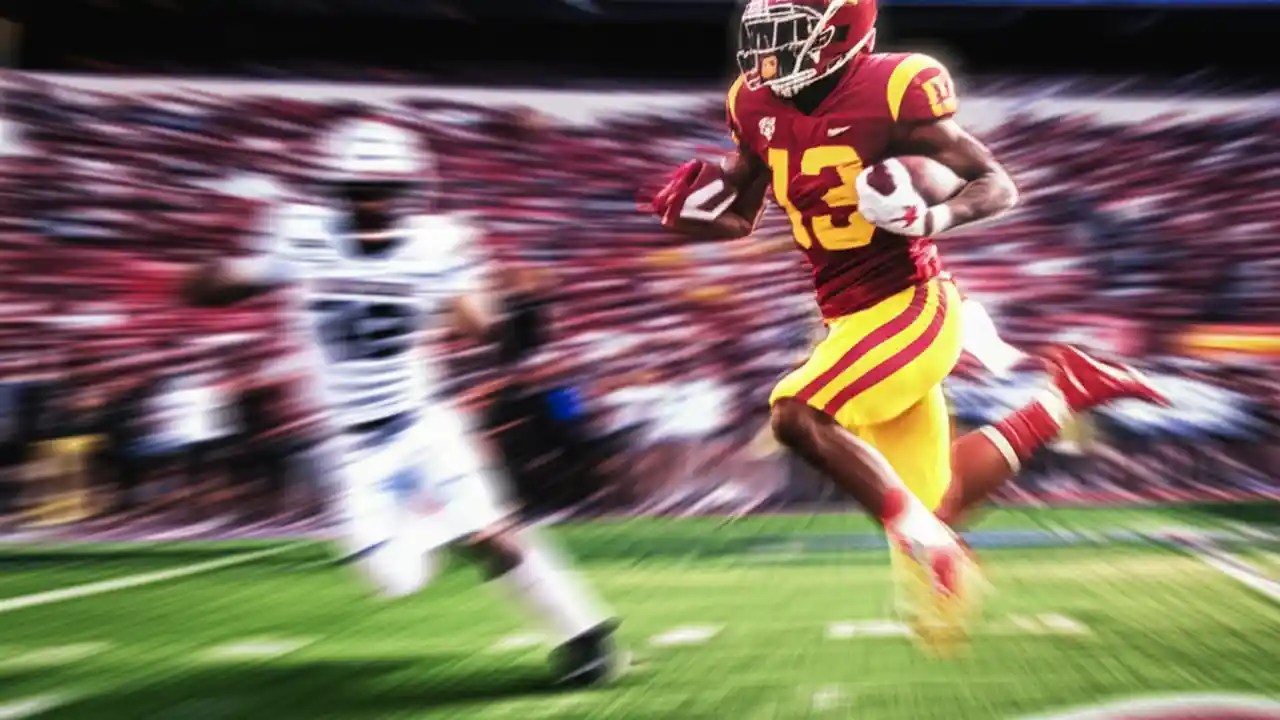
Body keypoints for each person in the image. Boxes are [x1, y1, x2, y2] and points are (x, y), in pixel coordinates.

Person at [645, 0, 1168, 648]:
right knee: (934, 515)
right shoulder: (753, 106)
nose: (766, 57)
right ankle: (1066, 396)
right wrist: (689, 217)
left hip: (916, 306)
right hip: (848, 323)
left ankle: (931, 544)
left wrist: (932, 218)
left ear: (840, 32)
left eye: (785, 37)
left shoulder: (895, 87)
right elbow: (741, 217)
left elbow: (995, 182)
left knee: (795, 413)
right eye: (763, 38)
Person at [183, 116, 622, 686]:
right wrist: (220, 274)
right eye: (357, 193)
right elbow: (220, 284)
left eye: (384, 193)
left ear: (409, 193)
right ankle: (444, 519)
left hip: (422, 421)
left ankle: (585, 638)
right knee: (397, 579)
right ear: (333, 192)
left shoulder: (439, 242)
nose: (370, 206)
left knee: (496, 539)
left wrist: (495, 305)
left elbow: (478, 325)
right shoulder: (301, 233)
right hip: (349, 443)